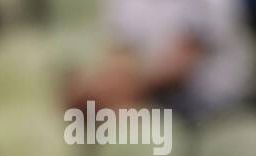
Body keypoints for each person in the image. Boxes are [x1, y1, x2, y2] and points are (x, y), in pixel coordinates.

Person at [65, 0, 254, 121]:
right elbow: (120, 56)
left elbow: (179, 67)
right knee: (89, 101)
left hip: (213, 101)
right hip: (156, 92)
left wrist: (112, 86)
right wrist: (95, 86)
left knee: (116, 110)